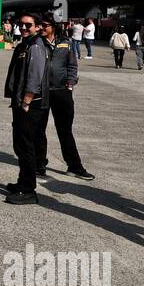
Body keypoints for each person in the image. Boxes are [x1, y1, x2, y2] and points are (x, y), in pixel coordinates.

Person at [3, 11, 51, 204]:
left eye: (28, 25)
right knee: (21, 146)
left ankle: (28, 190)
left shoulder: (36, 46)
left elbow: (34, 77)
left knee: (26, 147)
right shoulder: (26, 44)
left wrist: (26, 102)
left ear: (38, 27)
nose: (23, 28)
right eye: (21, 24)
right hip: (23, 102)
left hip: (30, 105)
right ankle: (22, 182)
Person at [39, 16, 94, 180]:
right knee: (39, 129)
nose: (41, 28)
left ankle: (74, 166)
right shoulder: (37, 43)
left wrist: (70, 83)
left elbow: (72, 65)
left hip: (62, 91)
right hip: (41, 92)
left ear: (53, 27)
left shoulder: (66, 42)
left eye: (45, 25)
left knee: (65, 130)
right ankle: (39, 164)